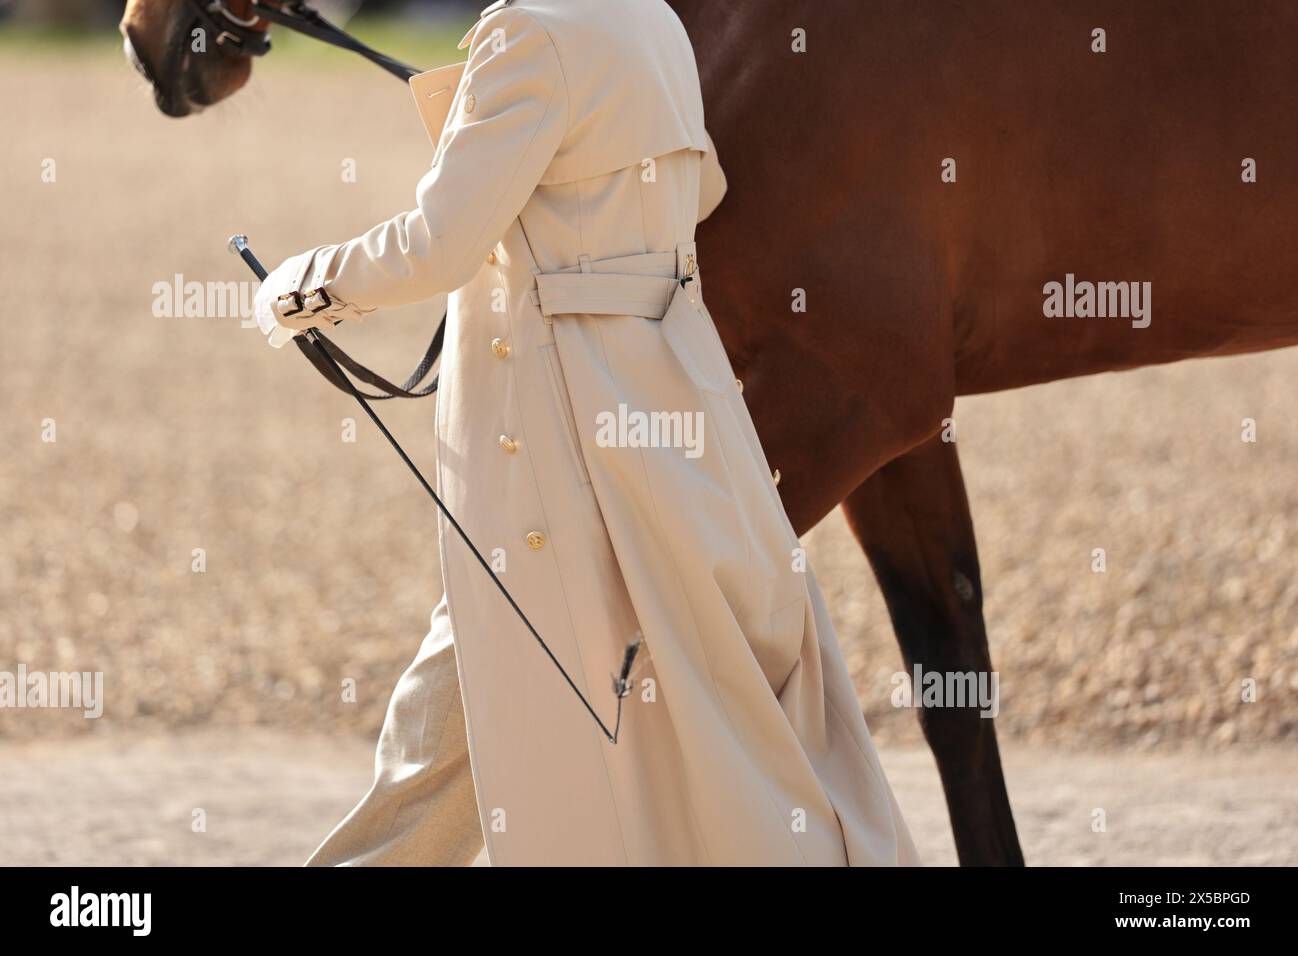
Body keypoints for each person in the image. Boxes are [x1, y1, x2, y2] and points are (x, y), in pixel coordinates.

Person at [253, 0, 919, 867]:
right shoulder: (654, 22)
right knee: (666, 686)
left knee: (503, 683)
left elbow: (439, 244)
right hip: (677, 393)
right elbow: (701, 187)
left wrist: (300, 288)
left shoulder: (525, 35)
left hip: (557, 414)